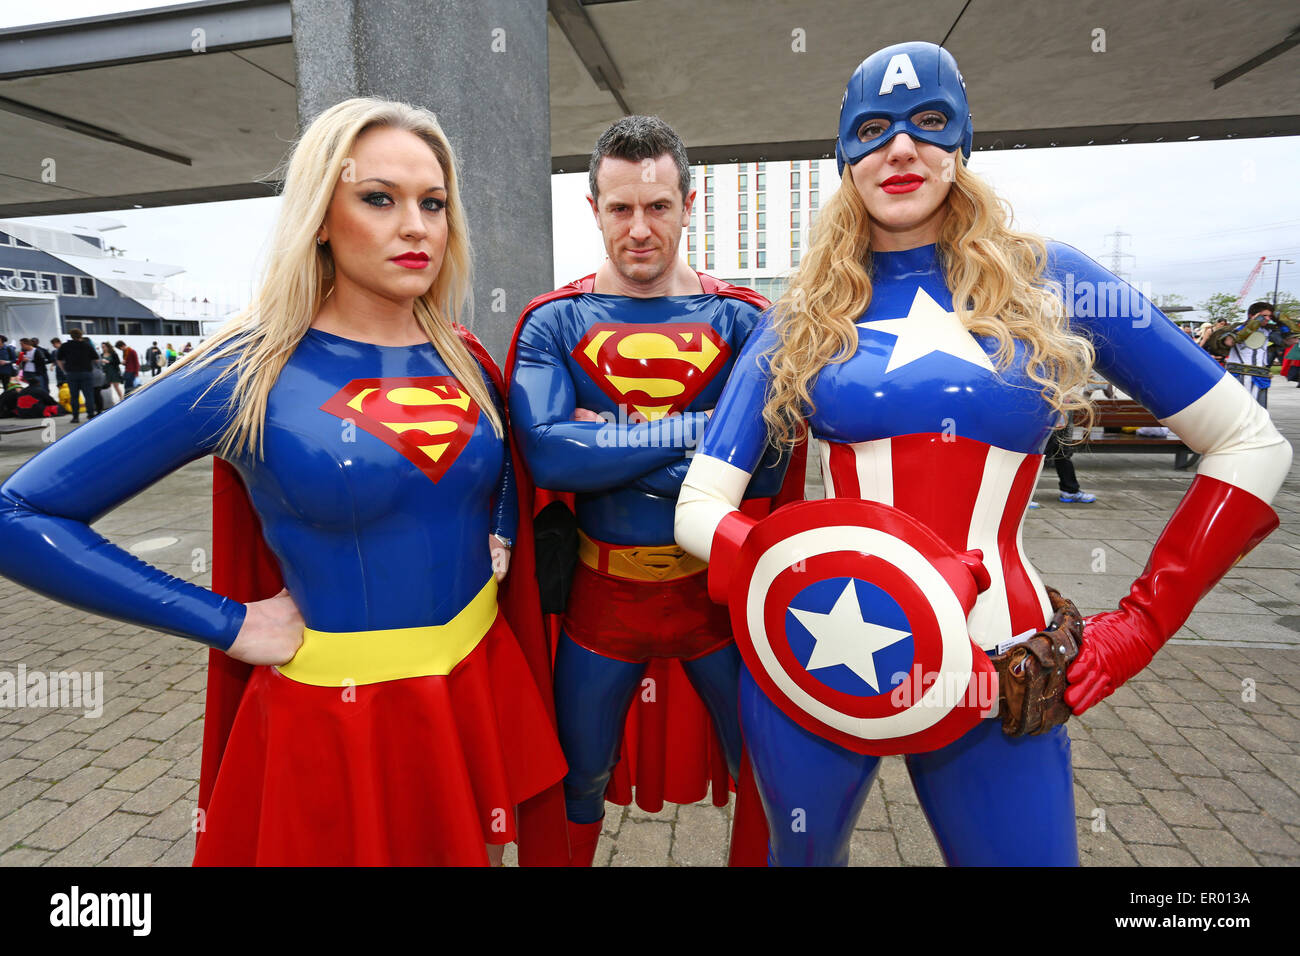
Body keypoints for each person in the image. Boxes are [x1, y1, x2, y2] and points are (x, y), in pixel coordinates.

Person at [674, 41, 1292, 866]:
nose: (900, 148)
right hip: (812, 659)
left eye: (929, 122)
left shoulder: (1051, 281)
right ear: (844, 155)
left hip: (1000, 671)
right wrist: (794, 566)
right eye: (872, 129)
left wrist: (1138, 628)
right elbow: (697, 506)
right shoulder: (804, 312)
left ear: (964, 143)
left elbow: (1249, 441)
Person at [0, 96, 565, 865]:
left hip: (473, 682)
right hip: (338, 718)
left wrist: (498, 523)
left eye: (434, 203)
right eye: (379, 199)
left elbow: (499, 460)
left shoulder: (462, 353)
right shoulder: (245, 368)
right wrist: (229, 623)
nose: (417, 227)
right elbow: (20, 512)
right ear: (321, 217)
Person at [507, 115, 795, 865]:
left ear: (688, 206)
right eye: (621, 208)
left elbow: (764, 468)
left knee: (771, 776)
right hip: (604, 603)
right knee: (575, 785)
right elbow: (548, 458)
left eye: (658, 206)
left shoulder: (742, 318)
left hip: (717, 599)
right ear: (594, 209)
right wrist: (701, 431)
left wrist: (605, 437)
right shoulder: (553, 321)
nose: (640, 228)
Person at [1225, 301, 1275, 408]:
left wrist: (1282, 321)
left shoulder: (1268, 331)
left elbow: (1291, 341)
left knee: (1258, 410)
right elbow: (1229, 342)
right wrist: (1251, 324)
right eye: (1264, 316)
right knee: (1238, 408)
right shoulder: (1238, 328)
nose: (1267, 318)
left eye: (1269, 316)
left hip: (1259, 376)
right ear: (1252, 315)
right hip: (1238, 375)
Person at [54, 328, 98, 423]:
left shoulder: (65, 346)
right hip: (86, 373)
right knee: (88, 395)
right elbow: (96, 359)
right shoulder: (87, 345)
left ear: (71, 336)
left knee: (74, 396)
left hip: (71, 373)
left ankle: (75, 417)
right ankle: (90, 414)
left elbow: (59, 360)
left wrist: (64, 370)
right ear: (81, 335)